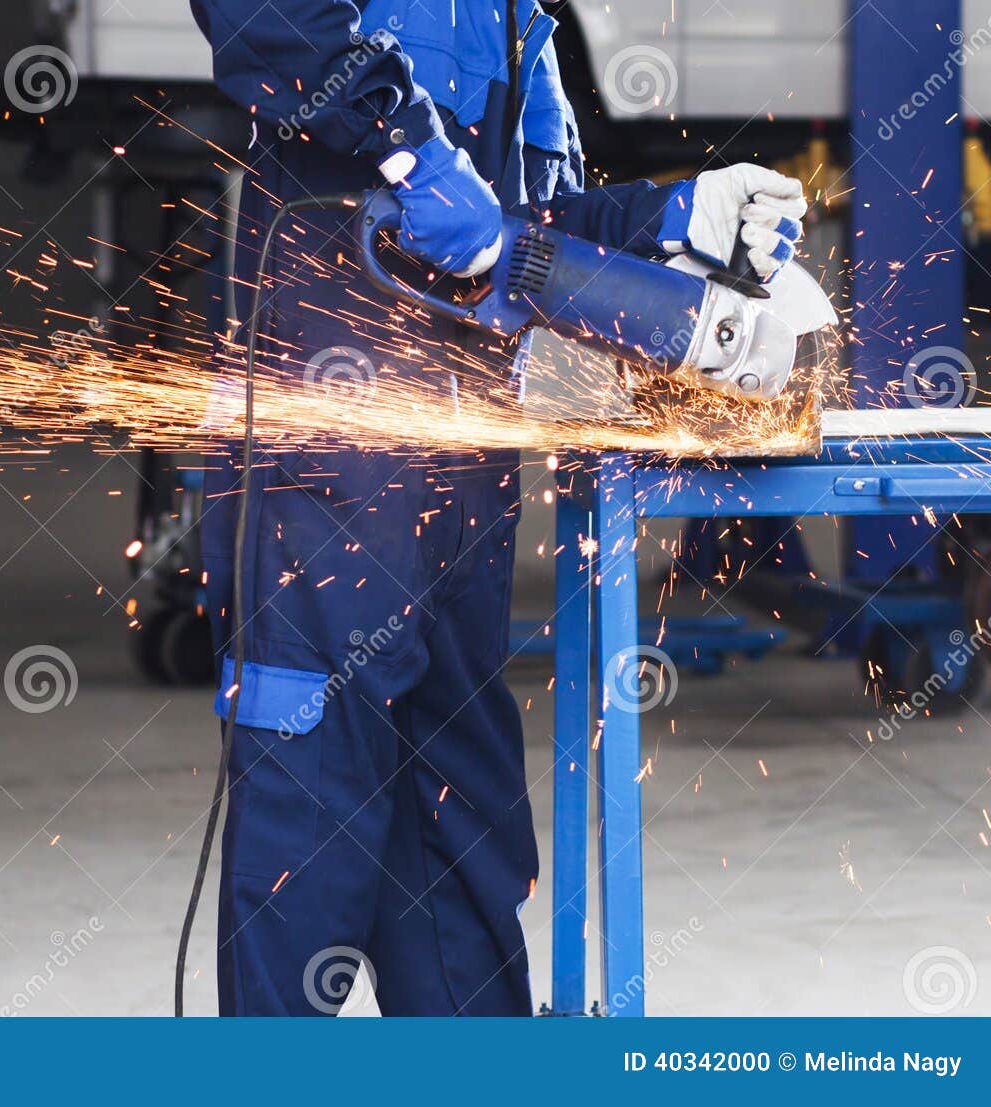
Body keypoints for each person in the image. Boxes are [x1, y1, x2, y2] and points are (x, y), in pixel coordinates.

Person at [188, 0, 807, 1015]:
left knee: (456, 826)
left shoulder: (518, 25)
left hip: (461, 476)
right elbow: (267, 25)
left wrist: (672, 213)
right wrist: (406, 150)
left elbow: (515, 243)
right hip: (330, 457)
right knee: (311, 826)